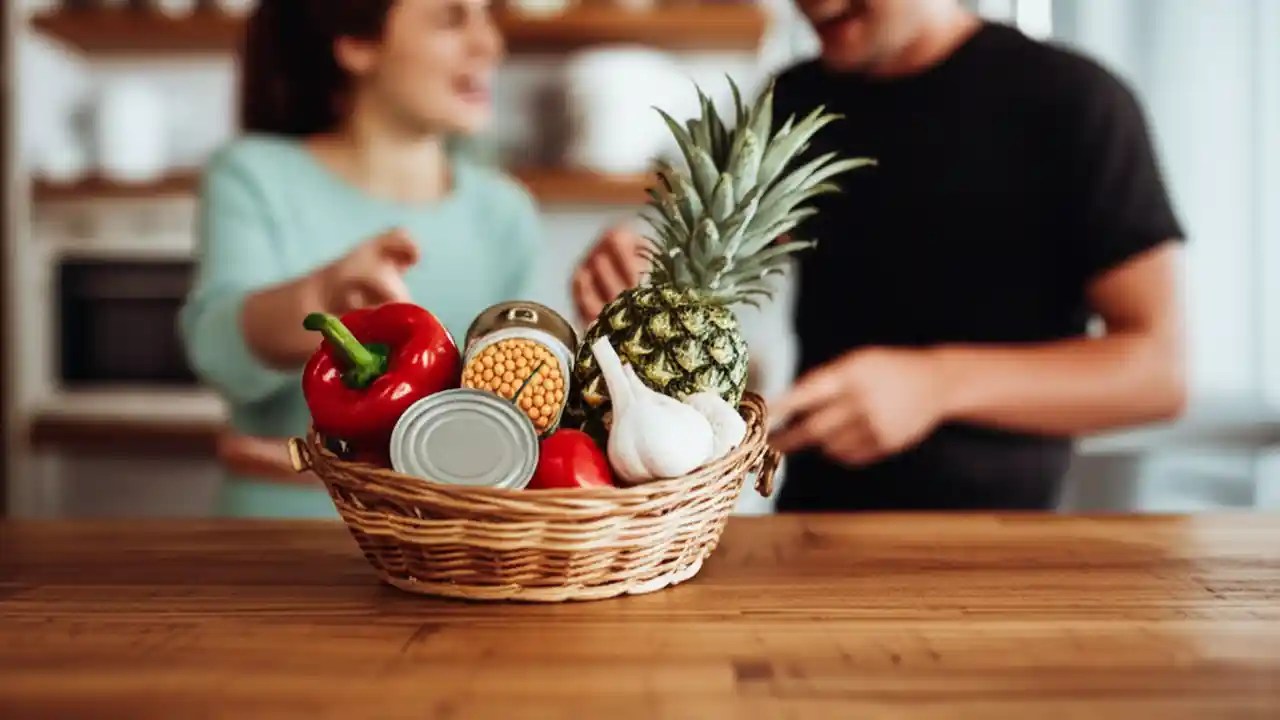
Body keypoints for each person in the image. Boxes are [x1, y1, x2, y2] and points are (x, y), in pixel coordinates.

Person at [573, 0, 1186, 511]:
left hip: (1008, 545)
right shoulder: (794, 99)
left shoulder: (1076, 103)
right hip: (812, 528)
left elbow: (1158, 370)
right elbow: (704, 242)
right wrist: (645, 260)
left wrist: (937, 383)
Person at [180, 0, 541, 517]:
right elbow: (216, 351)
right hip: (273, 547)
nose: (490, 45)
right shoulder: (253, 175)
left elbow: (530, 411)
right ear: (357, 44)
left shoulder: (506, 210)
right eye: (450, 19)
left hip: (455, 549)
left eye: (487, 17)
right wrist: (319, 299)